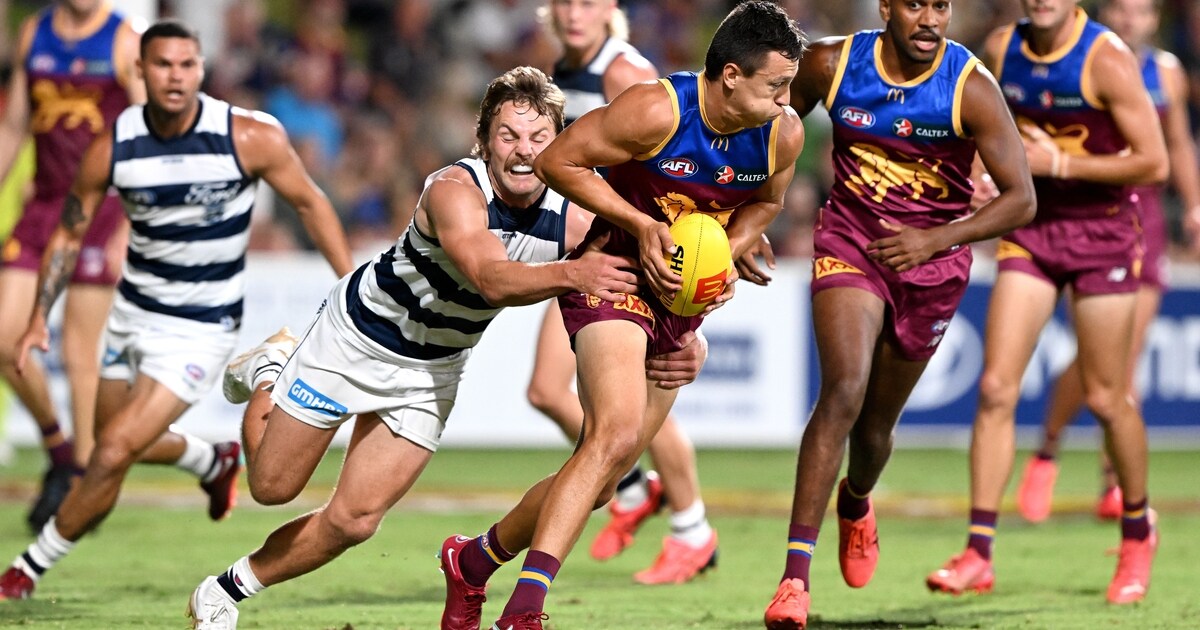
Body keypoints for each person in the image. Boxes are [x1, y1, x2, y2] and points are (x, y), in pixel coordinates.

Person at [183, 65, 705, 630]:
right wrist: (575, 273)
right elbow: (490, 278)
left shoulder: (579, 215)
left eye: (539, 137)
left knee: (355, 521)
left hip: (433, 367)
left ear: (559, 142)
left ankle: (222, 591)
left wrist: (687, 337)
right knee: (271, 487)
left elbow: (651, 276)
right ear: (483, 141)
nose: (524, 151)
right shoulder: (454, 190)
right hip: (356, 338)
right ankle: (271, 368)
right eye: (508, 136)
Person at [440, 4, 807, 629]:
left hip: (679, 303)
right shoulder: (657, 109)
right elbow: (558, 161)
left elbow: (767, 203)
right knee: (610, 436)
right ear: (731, 77)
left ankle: (472, 561)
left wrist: (725, 254)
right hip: (612, 275)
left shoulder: (783, 133)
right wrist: (641, 226)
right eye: (776, 85)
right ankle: (524, 610)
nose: (787, 100)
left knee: (605, 477)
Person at [0, 20, 354, 602]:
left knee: (110, 452)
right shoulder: (115, 144)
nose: (176, 77)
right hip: (131, 315)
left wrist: (349, 286)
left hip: (199, 329)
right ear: (141, 71)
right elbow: (69, 231)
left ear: (201, 70)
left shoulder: (247, 136)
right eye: (163, 65)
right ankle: (211, 461)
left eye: (187, 65)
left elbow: (310, 204)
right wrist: (41, 313)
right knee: (112, 442)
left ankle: (27, 568)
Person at [757, 1, 1036, 628]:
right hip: (850, 244)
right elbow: (768, 133)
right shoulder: (830, 64)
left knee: (874, 431)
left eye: (941, 5)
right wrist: (755, 214)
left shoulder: (970, 87)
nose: (930, 18)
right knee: (843, 391)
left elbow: (1022, 199)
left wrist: (936, 239)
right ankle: (794, 580)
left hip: (932, 267)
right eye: (915, 4)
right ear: (886, 6)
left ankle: (856, 500)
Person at [926, 0, 1168, 605]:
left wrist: (1058, 162)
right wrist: (980, 174)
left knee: (1108, 397)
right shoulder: (1003, 48)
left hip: (1103, 235)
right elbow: (981, 128)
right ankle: (978, 552)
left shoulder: (1106, 59)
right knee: (995, 388)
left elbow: (1155, 161)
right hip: (1032, 230)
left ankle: (1138, 531)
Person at [530, 0, 718, 581]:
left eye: (587, 2)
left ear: (610, 8)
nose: (573, 13)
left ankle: (689, 526)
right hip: (589, 255)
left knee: (633, 405)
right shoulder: (563, 71)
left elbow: (671, 164)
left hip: (625, 258)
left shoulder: (623, 70)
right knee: (555, 393)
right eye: (564, 2)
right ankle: (638, 491)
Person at [1014, 0, 1200, 524]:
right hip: (1086, 217)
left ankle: (1112, 481)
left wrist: (1193, 206)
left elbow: (1177, 144)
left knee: (1125, 355)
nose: (1129, 20)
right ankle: (1050, 446)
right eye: (1121, 9)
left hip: (1145, 224)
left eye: (1140, 12)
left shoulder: (1166, 72)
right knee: (1102, 362)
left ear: (1154, 20)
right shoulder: (1085, 60)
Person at [0, 0, 155, 533]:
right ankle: (60, 451)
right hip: (44, 206)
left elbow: (149, 134)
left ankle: (83, 483)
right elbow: (15, 126)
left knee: (78, 351)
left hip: (101, 209)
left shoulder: (124, 39)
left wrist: (129, 224)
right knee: (6, 337)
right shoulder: (34, 34)